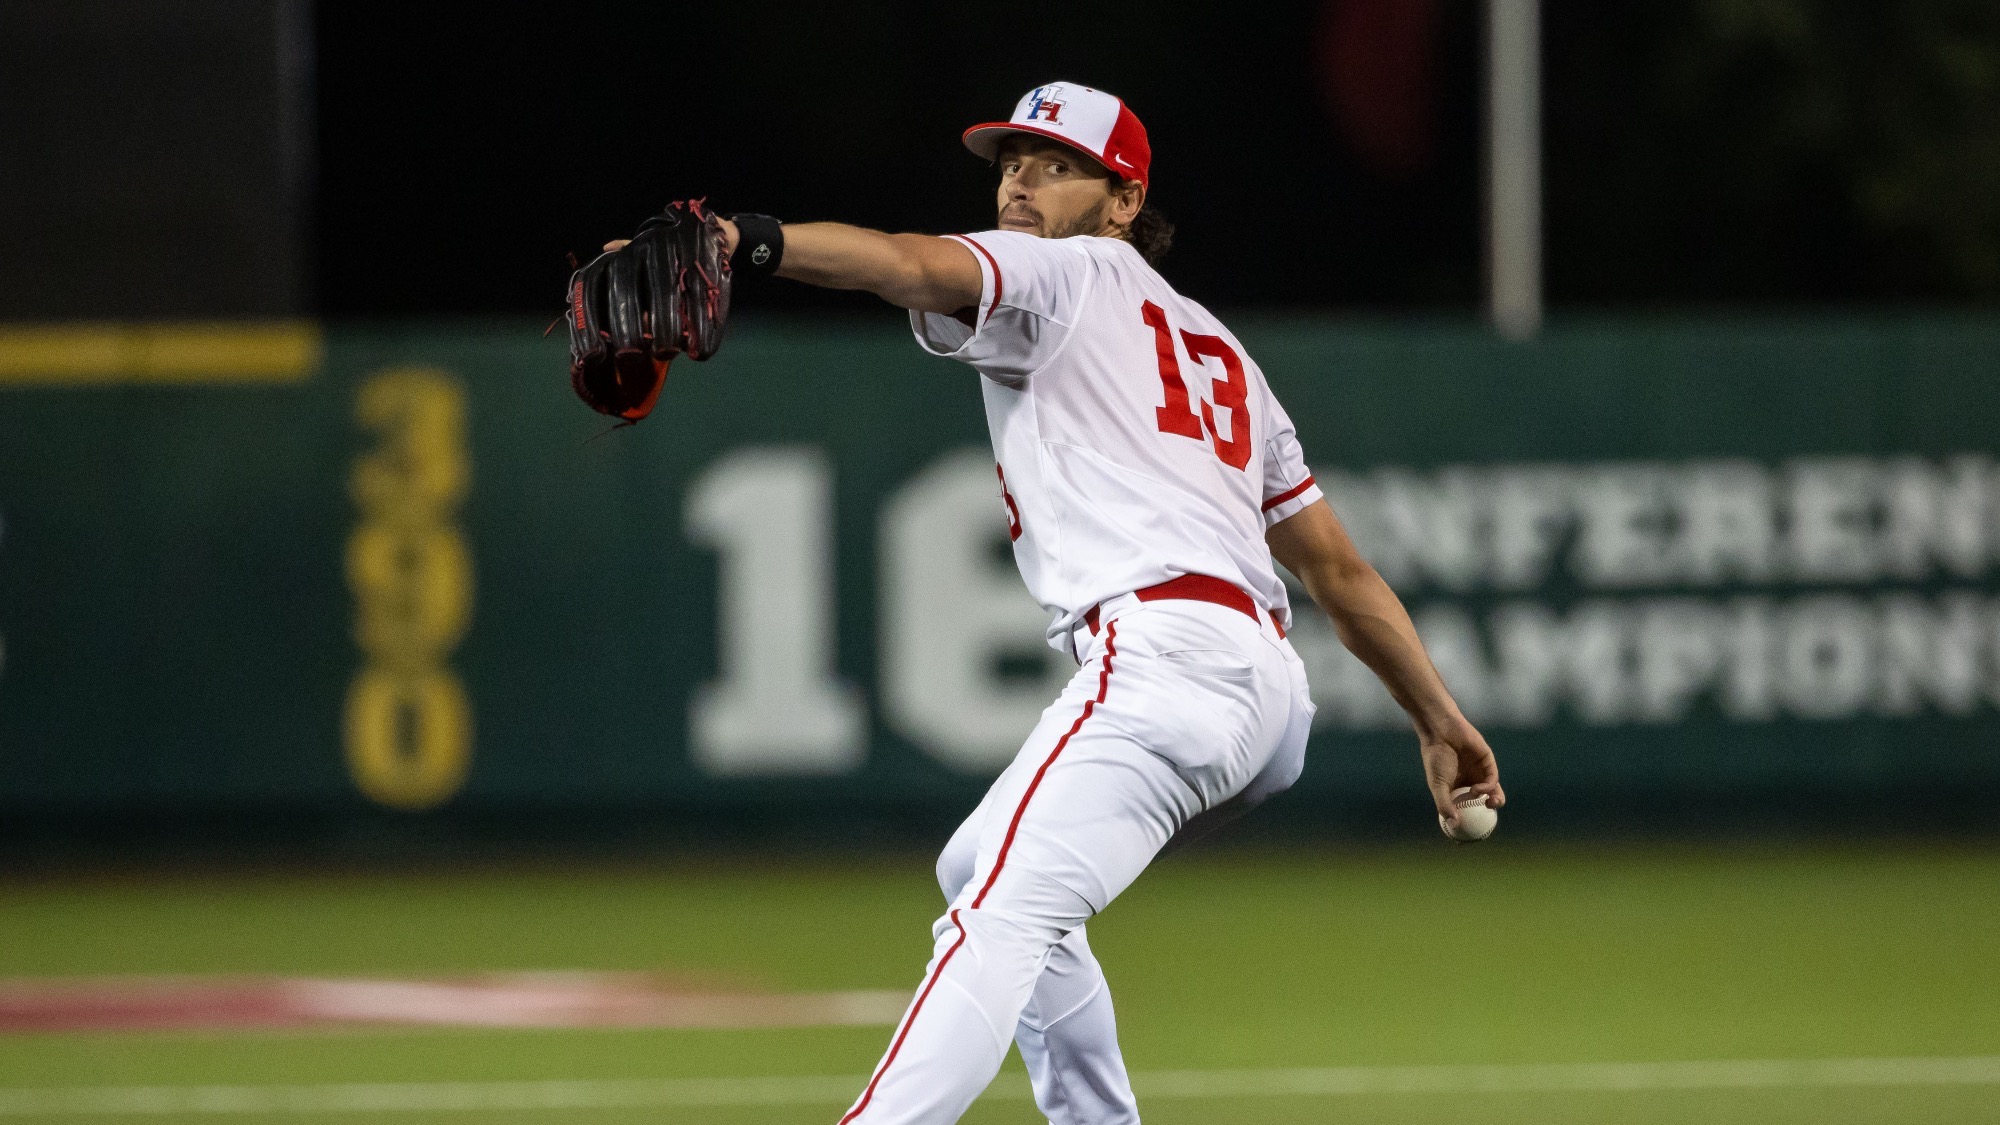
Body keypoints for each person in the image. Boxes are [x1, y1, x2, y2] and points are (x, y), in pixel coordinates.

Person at [619, 80, 1504, 1125]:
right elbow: (1337, 576)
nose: (1019, 182)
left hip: (1167, 662)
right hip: (1262, 698)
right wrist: (1438, 718)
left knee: (994, 912)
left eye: (1053, 164)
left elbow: (906, 263)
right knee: (982, 875)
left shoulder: (1067, 271)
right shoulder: (1221, 352)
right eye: (1008, 162)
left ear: (1123, 200)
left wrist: (744, 239)